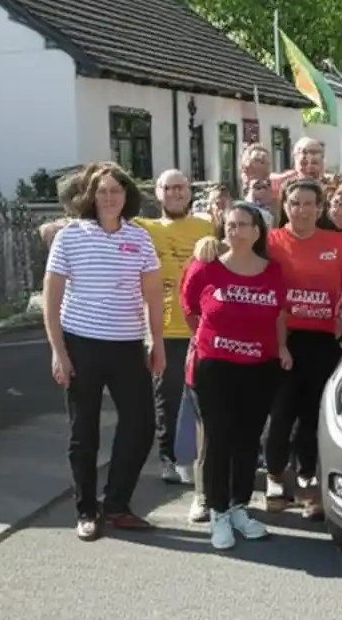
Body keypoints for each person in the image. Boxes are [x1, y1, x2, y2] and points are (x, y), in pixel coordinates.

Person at [42, 163, 165, 541]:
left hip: (128, 346)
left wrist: (156, 342)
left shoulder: (140, 238)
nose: (109, 197)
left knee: (142, 425)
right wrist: (58, 351)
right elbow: (52, 297)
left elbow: (153, 295)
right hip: (81, 345)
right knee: (85, 432)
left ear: (126, 196)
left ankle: (116, 504)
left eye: (115, 190)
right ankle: (86, 510)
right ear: (90, 197)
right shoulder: (70, 237)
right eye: (101, 191)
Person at [263, 179, 342, 519]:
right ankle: (274, 476)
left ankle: (306, 480)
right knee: (281, 412)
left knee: (313, 415)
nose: (301, 210)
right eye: (295, 203)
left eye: (308, 204)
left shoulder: (338, 243)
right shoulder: (270, 242)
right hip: (282, 338)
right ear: (284, 205)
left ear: (320, 208)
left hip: (322, 341)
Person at [181, 203, 291, 550]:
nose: (236, 230)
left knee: (247, 439)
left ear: (257, 231)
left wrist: (283, 348)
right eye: (230, 224)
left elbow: (279, 315)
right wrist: (204, 340)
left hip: (260, 367)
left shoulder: (273, 271)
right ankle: (218, 512)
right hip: (215, 367)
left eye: (243, 224)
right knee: (218, 439)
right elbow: (190, 309)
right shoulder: (206, 267)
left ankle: (239, 506)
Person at [133, 170, 215, 489]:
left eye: (181, 187)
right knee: (166, 395)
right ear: (158, 193)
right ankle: (169, 456)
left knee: (203, 396)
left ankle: (200, 455)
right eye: (169, 188)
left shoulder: (208, 226)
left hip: (203, 326)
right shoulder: (144, 228)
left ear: (189, 192)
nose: (176, 193)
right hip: (163, 327)